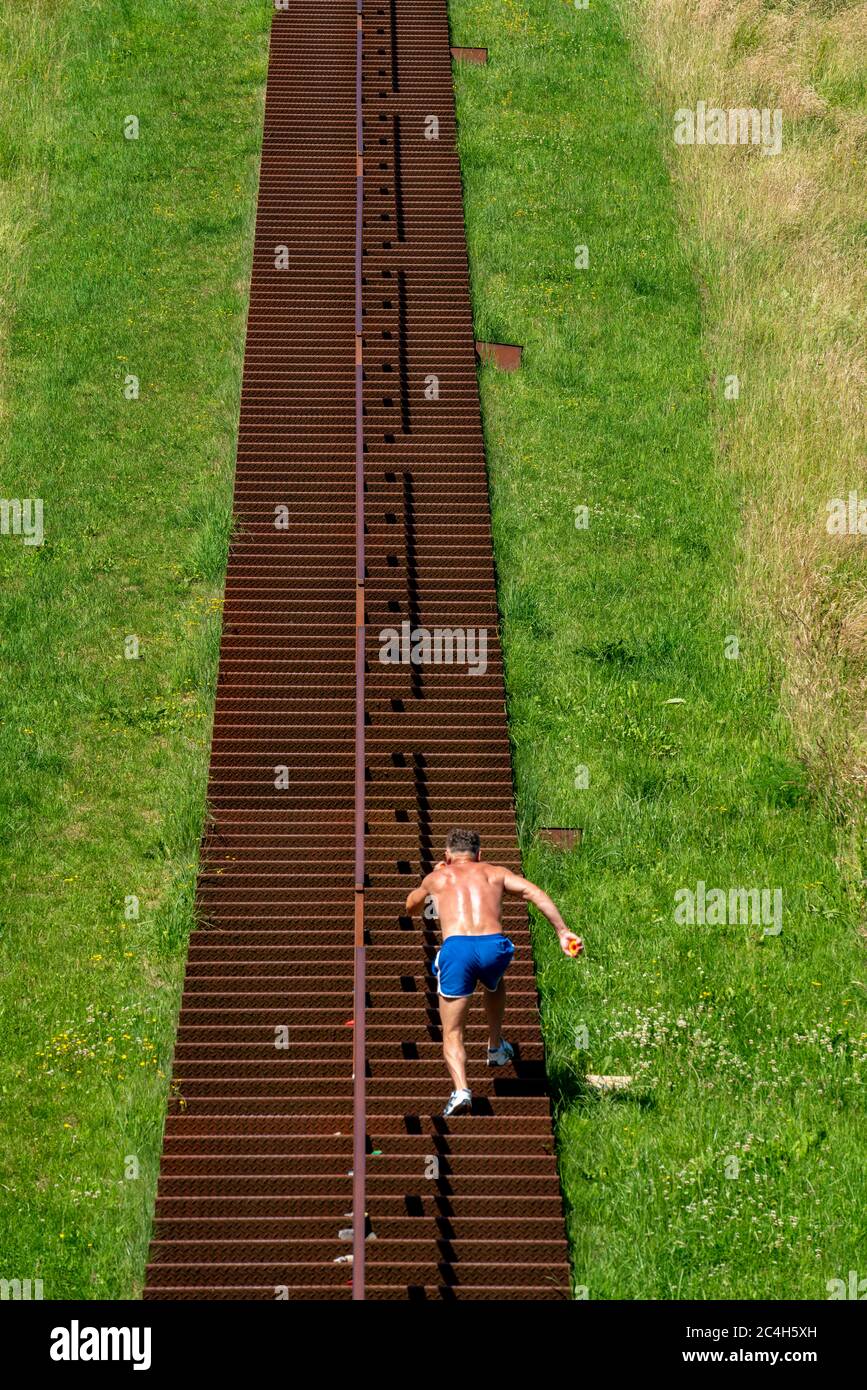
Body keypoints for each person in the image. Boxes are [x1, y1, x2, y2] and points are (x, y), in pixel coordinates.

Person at [404, 827, 583, 1116]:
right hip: (493, 948)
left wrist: (432, 878)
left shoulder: (438, 877)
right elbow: (534, 892)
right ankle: (495, 1045)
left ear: (447, 856)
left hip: (457, 950)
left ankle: (461, 1089)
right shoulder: (495, 872)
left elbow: (411, 906)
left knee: (452, 1031)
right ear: (479, 854)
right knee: (493, 980)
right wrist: (563, 932)